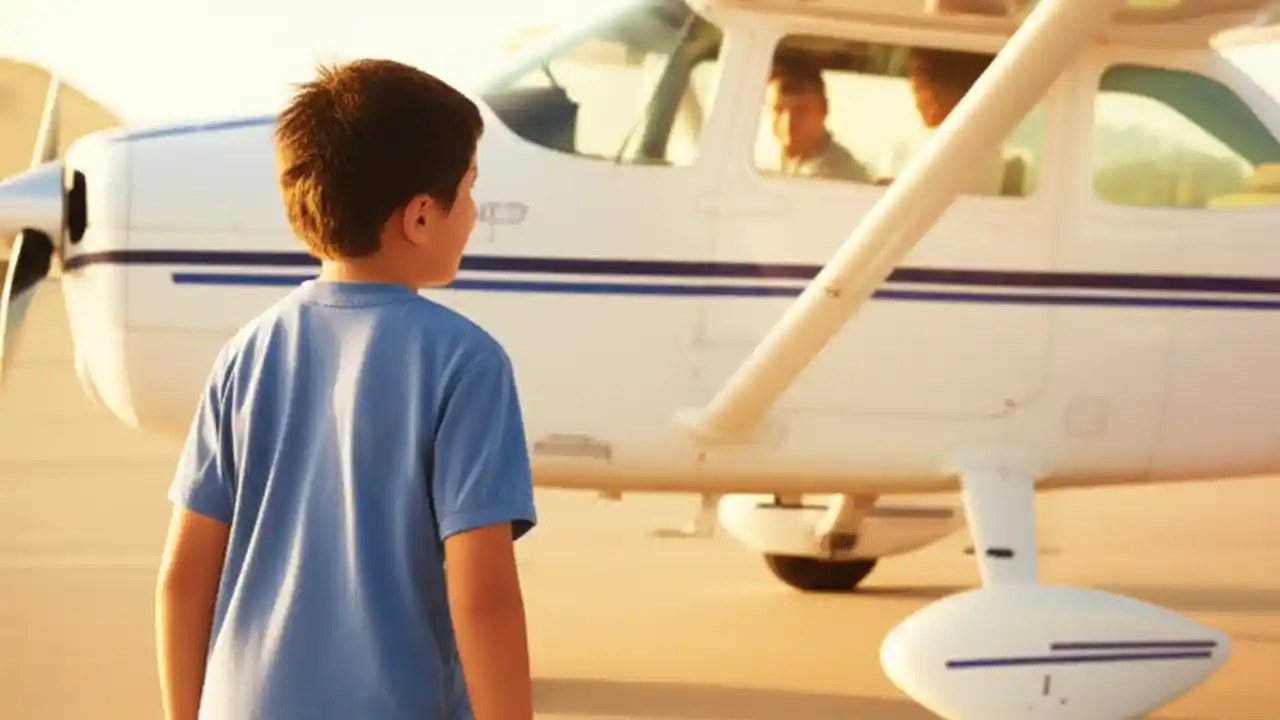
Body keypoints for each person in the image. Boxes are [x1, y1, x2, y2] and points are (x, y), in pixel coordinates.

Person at [154, 59, 537, 720]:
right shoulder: (466, 363)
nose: (473, 213)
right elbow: (484, 597)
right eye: (468, 189)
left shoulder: (245, 354)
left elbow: (185, 580)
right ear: (420, 216)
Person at [765, 57, 870, 183]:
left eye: (801, 110)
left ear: (824, 109)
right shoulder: (768, 161)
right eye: (779, 109)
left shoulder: (834, 176)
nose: (788, 121)